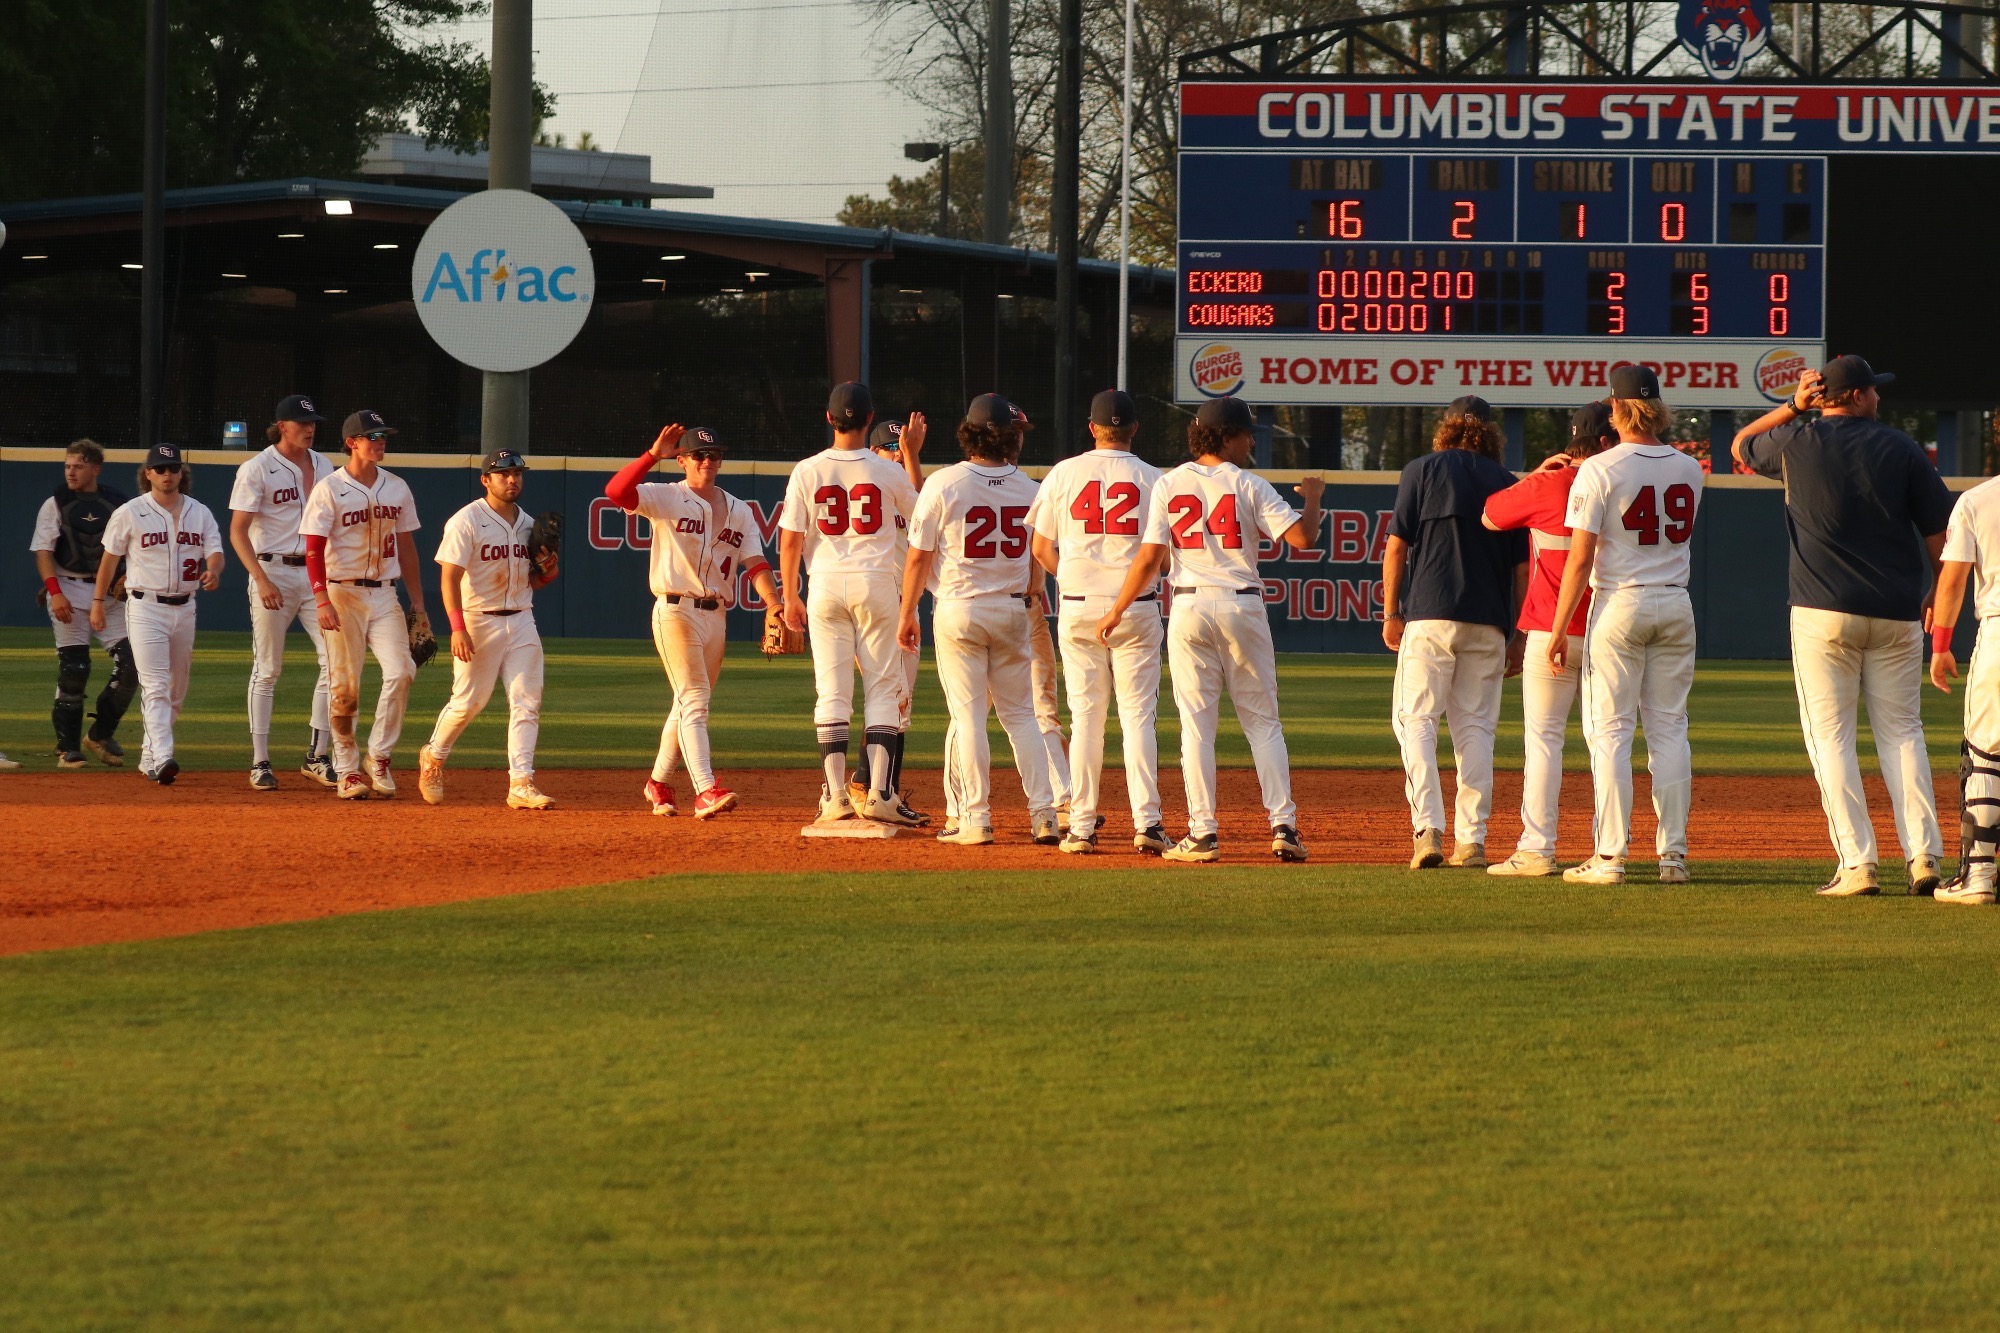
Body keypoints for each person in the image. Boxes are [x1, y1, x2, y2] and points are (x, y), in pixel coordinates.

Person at [1730, 354, 1952, 898]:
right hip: (1897, 612)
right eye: (1872, 390)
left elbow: (1740, 446)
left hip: (1822, 611)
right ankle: (1923, 858)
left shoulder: (1796, 442)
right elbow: (1939, 537)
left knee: (1831, 740)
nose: (1878, 396)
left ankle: (1858, 865)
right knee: (1903, 735)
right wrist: (1936, 593)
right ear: (1854, 396)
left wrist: (1792, 406)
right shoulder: (1901, 448)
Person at [1095, 395, 1323, 864]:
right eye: (1246, 434)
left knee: (1197, 728)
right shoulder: (1248, 483)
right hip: (1242, 605)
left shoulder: (1169, 482)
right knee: (1263, 724)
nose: (1250, 442)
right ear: (1227, 436)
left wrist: (1117, 609)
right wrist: (1314, 497)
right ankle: (1284, 827)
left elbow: (1149, 558)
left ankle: (1202, 833)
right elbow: (1303, 538)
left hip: (1189, 607)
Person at [1546, 365, 1705, 885]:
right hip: (1675, 603)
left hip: (1620, 604)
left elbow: (1579, 558)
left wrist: (1557, 626)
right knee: (1669, 730)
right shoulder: (1690, 468)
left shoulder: (1599, 468)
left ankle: (1610, 857)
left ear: (1615, 409)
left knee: (1610, 731)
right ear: (1656, 408)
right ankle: (1674, 858)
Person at [898, 393, 1057, 846]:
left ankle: (976, 819)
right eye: (1016, 433)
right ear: (1005, 438)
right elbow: (1035, 562)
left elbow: (917, 559)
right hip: (1011, 609)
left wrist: (907, 613)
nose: (1019, 440)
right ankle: (1044, 816)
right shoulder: (1030, 487)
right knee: (1022, 717)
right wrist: (1030, 594)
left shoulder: (945, 483)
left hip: (960, 609)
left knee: (968, 718)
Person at [1381, 395, 1529, 871]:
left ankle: (1428, 829)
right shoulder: (1506, 481)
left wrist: (1390, 613)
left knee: (1416, 722)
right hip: (1488, 621)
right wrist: (1521, 633)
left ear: (1447, 428)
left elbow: (1397, 547)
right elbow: (1523, 567)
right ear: (1491, 433)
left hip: (1430, 614)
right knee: (1476, 730)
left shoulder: (1421, 470)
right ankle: (1473, 840)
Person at [606, 423, 778, 819]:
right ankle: (705, 789)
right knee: (695, 699)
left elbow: (755, 562)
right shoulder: (666, 497)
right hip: (676, 609)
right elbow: (616, 492)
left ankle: (658, 782)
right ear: (681, 460)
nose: (707, 461)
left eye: (714, 454)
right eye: (698, 454)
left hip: (716, 617)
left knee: (686, 704)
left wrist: (773, 601)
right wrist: (652, 456)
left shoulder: (740, 509)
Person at [1478, 403, 1619, 876]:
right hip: (1609, 628)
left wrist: (1533, 475)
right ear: (1606, 441)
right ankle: (1608, 851)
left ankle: (1537, 850)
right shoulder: (1625, 479)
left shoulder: (1549, 483)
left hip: (1548, 629)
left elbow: (1491, 517)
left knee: (1544, 742)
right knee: (1607, 741)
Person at [1027, 388, 1169, 855]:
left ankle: (1082, 827)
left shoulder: (1065, 472)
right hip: (1136, 605)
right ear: (1134, 430)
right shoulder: (1154, 478)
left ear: (1092, 428)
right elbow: (1162, 559)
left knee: (1087, 719)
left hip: (1078, 604)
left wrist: (1072, 576)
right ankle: (1147, 824)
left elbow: (1042, 549)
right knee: (1137, 720)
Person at [778, 382, 922, 824]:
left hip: (822, 582)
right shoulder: (888, 470)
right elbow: (919, 520)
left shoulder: (808, 469)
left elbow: (790, 539)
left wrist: (789, 596)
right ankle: (879, 794)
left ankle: (836, 796)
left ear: (828, 418)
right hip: (875, 581)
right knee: (882, 688)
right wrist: (912, 454)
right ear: (869, 419)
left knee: (832, 692)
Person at [417, 449, 561, 811]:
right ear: (486, 480)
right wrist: (457, 628)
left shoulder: (529, 524)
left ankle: (521, 783)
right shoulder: (466, 520)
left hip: (522, 618)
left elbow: (536, 581)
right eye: (503, 474)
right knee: (469, 702)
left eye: (517, 474)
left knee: (527, 702)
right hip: (478, 619)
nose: (512, 480)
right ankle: (433, 758)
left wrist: (548, 571)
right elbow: (449, 576)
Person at [301, 410, 428, 802]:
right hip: (341, 593)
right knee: (345, 686)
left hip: (384, 593)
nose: (380, 442)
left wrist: (419, 604)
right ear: (351, 442)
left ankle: (379, 756)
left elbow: (406, 547)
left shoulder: (397, 487)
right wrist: (320, 598)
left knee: (403, 671)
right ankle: (348, 770)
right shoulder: (329, 488)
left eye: (383, 436)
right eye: (371, 436)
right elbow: (313, 550)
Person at [88, 443, 223, 785]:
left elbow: (216, 552)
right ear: (147, 474)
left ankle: (149, 755)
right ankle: (163, 754)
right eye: (160, 469)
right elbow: (109, 561)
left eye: (173, 468)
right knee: (155, 685)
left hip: (185, 607)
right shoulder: (131, 512)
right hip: (145, 607)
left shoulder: (200, 512)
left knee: (176, 690)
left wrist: (215, 570)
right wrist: (97, 602)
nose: (167, 474)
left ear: (181, 473)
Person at [229, 393, 337, 791]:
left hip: (314, 576)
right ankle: (259, 761)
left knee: (334, 662)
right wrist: (260, 578)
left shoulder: (325, 465)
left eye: (312, 423)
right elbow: (238, 531)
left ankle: (317, 755)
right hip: (272, 569)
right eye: (301, 423)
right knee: (269, 668)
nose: (309, 428)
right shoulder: (257, 468)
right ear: (281, 426)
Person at [841, 415, 930, 824]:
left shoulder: (901, 488)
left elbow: (924, 508)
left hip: (902, 606)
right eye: (889, 448)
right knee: (889, 698)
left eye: (901, 447)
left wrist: (911, 456)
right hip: (876, 606)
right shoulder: (869, 491)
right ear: (872, 452)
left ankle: (878, 788)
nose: (896, 454)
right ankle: (868, 786)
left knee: (897, 701)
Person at [29, 438, 136, 770]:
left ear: (95, 468)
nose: (70, 472)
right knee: (74, 669)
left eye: (77, 466)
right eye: (67, 466)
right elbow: (44, 551)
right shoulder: (56, 503)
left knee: (133, 666)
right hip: (67, 588)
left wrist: (127, 576)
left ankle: (101, 734)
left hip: (108, 595)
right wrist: (54, 591)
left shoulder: (119, 502)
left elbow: (135, 546)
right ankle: (67, 749)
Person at [1923, 476, 2000, 905]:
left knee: (1986, 755)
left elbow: (1951, 581)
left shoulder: (1977, 500)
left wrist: (1941, 646)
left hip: (1998, 633)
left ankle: (1978, 875)